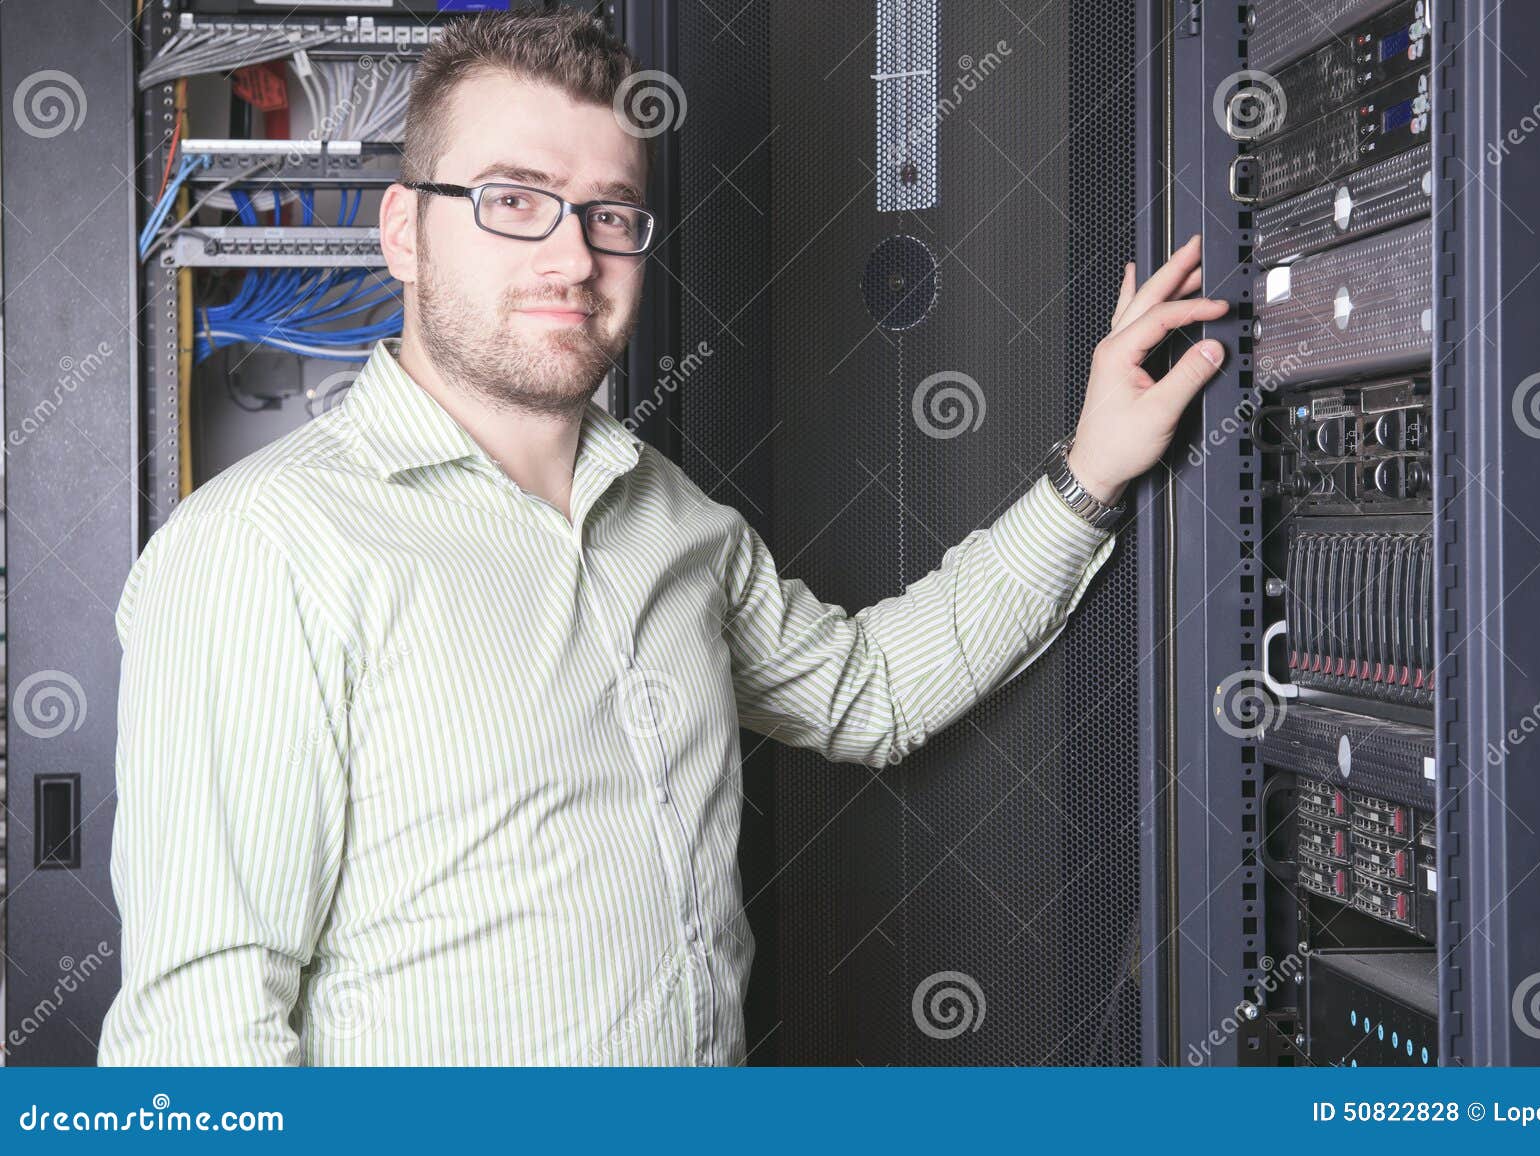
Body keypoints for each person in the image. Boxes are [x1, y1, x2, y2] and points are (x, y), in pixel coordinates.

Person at [99, 9, 1227, 1066]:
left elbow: (870, 689)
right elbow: (199, 1039)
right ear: (404, 230)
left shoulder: (672, 517)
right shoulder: (261, 550)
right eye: (513, 199)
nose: (572, 258)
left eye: (609, 213)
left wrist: (1089, 470)